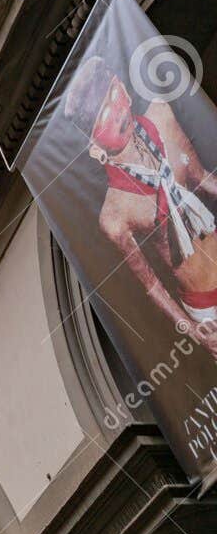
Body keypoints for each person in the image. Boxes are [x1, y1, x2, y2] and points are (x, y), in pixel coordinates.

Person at [62, 55, 217, 359]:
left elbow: (202, 179)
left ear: (123, 87)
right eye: (104, 114)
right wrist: (195, 333)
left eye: (114, 94)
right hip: (204, 306)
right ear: (95, 148)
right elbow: (153, 287)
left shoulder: (162, 116)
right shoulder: (114, 215)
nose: (117, 110)